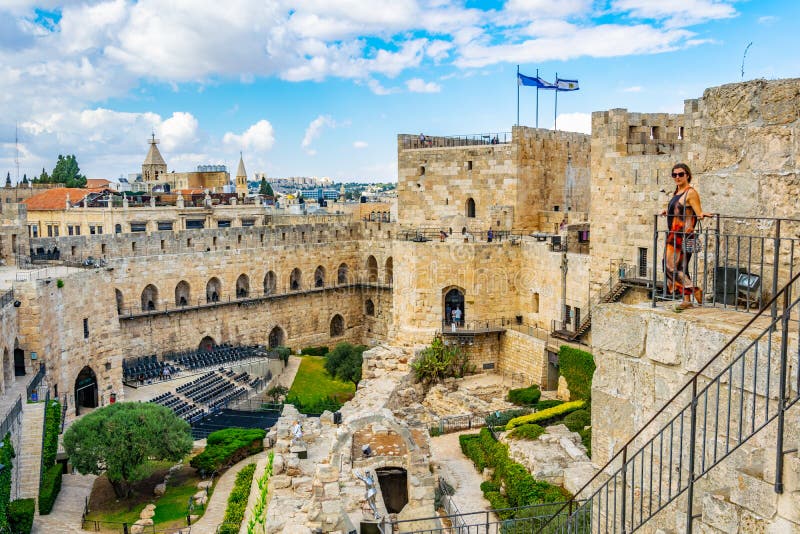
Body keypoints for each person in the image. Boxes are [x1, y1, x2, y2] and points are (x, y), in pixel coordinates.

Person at [661, 163, 712, 311]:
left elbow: (697, 212)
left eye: (680, 174)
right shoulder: (677, 192)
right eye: (674, 175)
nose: (677, 177)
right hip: (674, 235)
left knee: (669, 266)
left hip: (683, 236)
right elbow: (678, 209)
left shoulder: (690, 192)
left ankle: (693, 289)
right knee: (680, 267)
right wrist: (667, 212)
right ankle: (687, 299)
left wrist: (702, 215)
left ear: (687, 175)